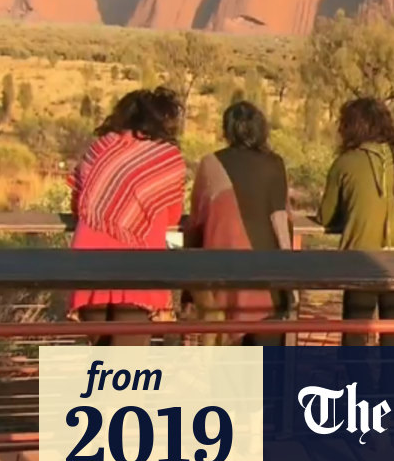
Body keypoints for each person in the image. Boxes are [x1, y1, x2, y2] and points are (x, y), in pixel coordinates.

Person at [318, 97, 394, 347]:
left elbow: (326, 216)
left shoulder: (345, 163)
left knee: (355, 326)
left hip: (360, 257)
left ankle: (356, 382)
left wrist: (356, 213)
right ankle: (391, 383)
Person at [67, 87, 187, 345]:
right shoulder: (166, 158)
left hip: (88, 266)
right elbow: (172, 216)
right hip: (138, 269)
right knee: (127, 369)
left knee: (101, 362)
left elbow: (78, 205)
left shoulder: (99, 148)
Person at [183, 101, 295, 346]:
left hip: (224, 280)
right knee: (268, 374)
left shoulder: (210, 164)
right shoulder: (275, 164)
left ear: (228, 129)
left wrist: (189, 285)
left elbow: (195, 223)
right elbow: (283, 221)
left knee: (228, 373)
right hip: (271, 282)